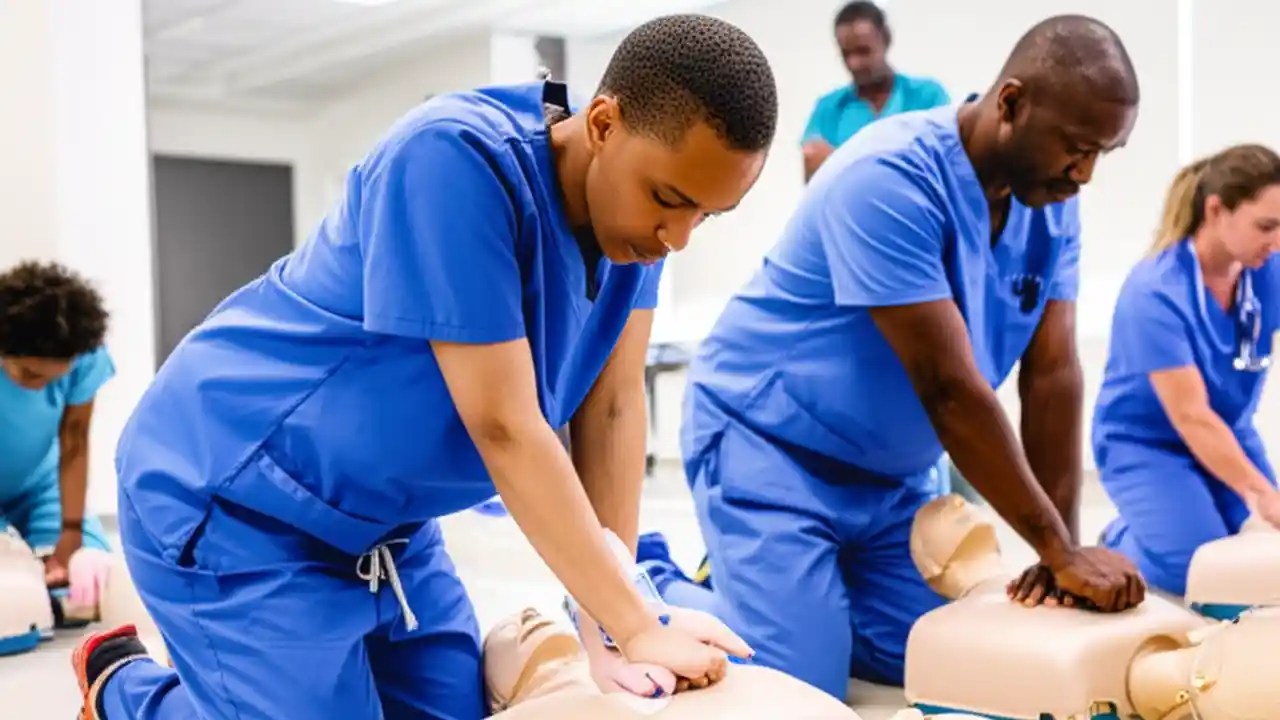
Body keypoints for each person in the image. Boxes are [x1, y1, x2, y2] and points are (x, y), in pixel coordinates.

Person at [71, 14, 777, 720]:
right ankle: (124, 687)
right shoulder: (454, 159)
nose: (677, 237)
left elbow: (613, 407)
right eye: (670, 200)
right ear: (601, 123)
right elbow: (505, 425)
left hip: (387, 527)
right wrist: (632, 623)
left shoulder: (634, 236)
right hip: (236, 497)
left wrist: (613, 605)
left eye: (706, 217)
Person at [648, 14, 1147, 702]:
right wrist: (1060, 552)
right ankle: (648, 591)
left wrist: (1060, 550)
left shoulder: (1052, 202)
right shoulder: (887, 176)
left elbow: (1054, 375)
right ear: (1010, 104)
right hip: (769, 448)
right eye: (1074, 147)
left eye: (1102, 153)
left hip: (887, 484)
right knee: (803, 684)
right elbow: (949, 387)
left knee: (944, 652)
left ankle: (776, 590)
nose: (1084, 173)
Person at [1094, 144, 1280, 597]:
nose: (1276, 242)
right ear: (1216, 211)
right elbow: (1191, 417)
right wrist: (1263, 495)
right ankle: (1119, 538)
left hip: (1229, 432)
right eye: (1266, 226)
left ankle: (1175, 520)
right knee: (1195, 571)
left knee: (1256, 563)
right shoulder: (1155, 293)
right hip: (1146, 445)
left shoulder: (1266, 271)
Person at [0, 261, 114, 593]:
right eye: (29, 374)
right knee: (13, 582)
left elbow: (75, 440)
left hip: (39, 485)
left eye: (52, 378)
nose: (39, 387)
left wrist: (71, 529)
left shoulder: (86, 357)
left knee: (79, 578)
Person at [801, 1, 950, 182]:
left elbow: (938, 164)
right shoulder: (829, 107)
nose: (853, 63)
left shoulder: (926, 96)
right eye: (846, 54)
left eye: (863, 51)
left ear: (886, 39)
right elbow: (813, 169)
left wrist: (838, 161)